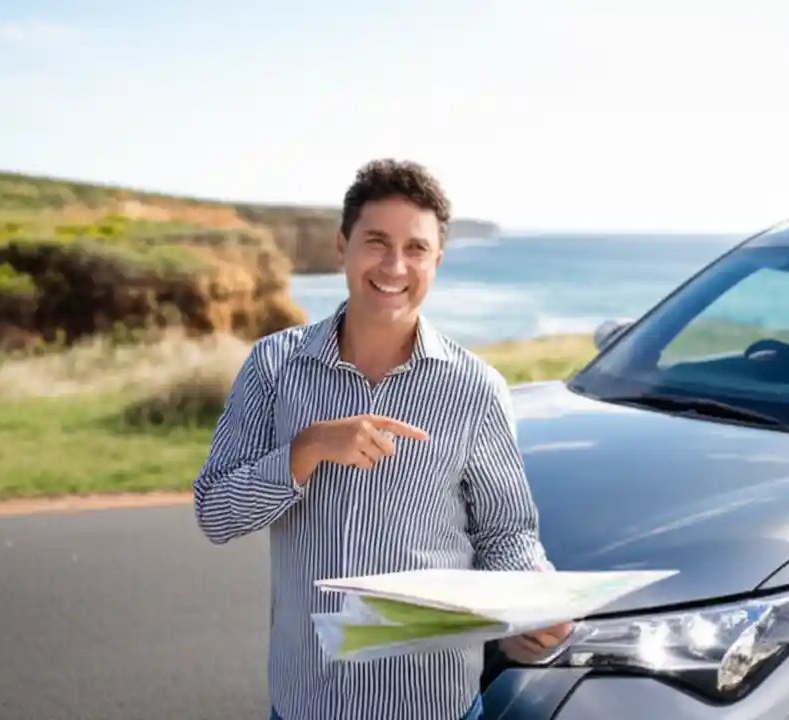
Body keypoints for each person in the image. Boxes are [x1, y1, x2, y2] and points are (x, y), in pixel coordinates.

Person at [192, 159, 572, 720]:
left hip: (434, 705)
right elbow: (216, 512)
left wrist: (534, 602)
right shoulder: (273, 365)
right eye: (376, 242)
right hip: (307, 704)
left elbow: (505, 533)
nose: (395, 265)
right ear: (342, 246)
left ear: (437, 260)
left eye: (416, 249)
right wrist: (307, 449)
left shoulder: (476, 387)